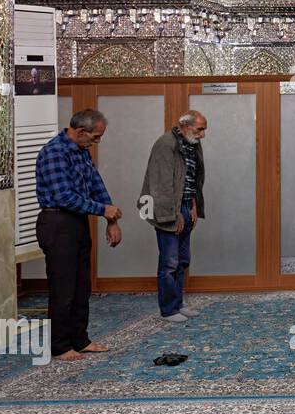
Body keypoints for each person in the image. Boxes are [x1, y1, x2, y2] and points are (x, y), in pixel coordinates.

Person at [34, 109, 122, 361]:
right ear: (80, 131)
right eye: (95, 137)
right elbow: (64, 197)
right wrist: (102, 210)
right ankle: (60, 346)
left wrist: (110, 218)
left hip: (78, 222)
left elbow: (96, 185)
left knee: (82, 287)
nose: (97, 142)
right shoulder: (55, 153)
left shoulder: (81, 151)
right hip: (57, 222)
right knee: (64, 288)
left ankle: (80, 340)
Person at [141, 110, 208, 322]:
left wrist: (193, 205)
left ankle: (178, 304)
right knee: (169, 262)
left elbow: (192, 179)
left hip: (187, 207)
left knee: (182, 260)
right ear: (185, 126)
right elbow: (161, 184)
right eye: (200, 129)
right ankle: (168, 309)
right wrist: (174, 213)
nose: (203, 134)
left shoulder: (191, 144)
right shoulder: (165, 144)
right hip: (169, 209)